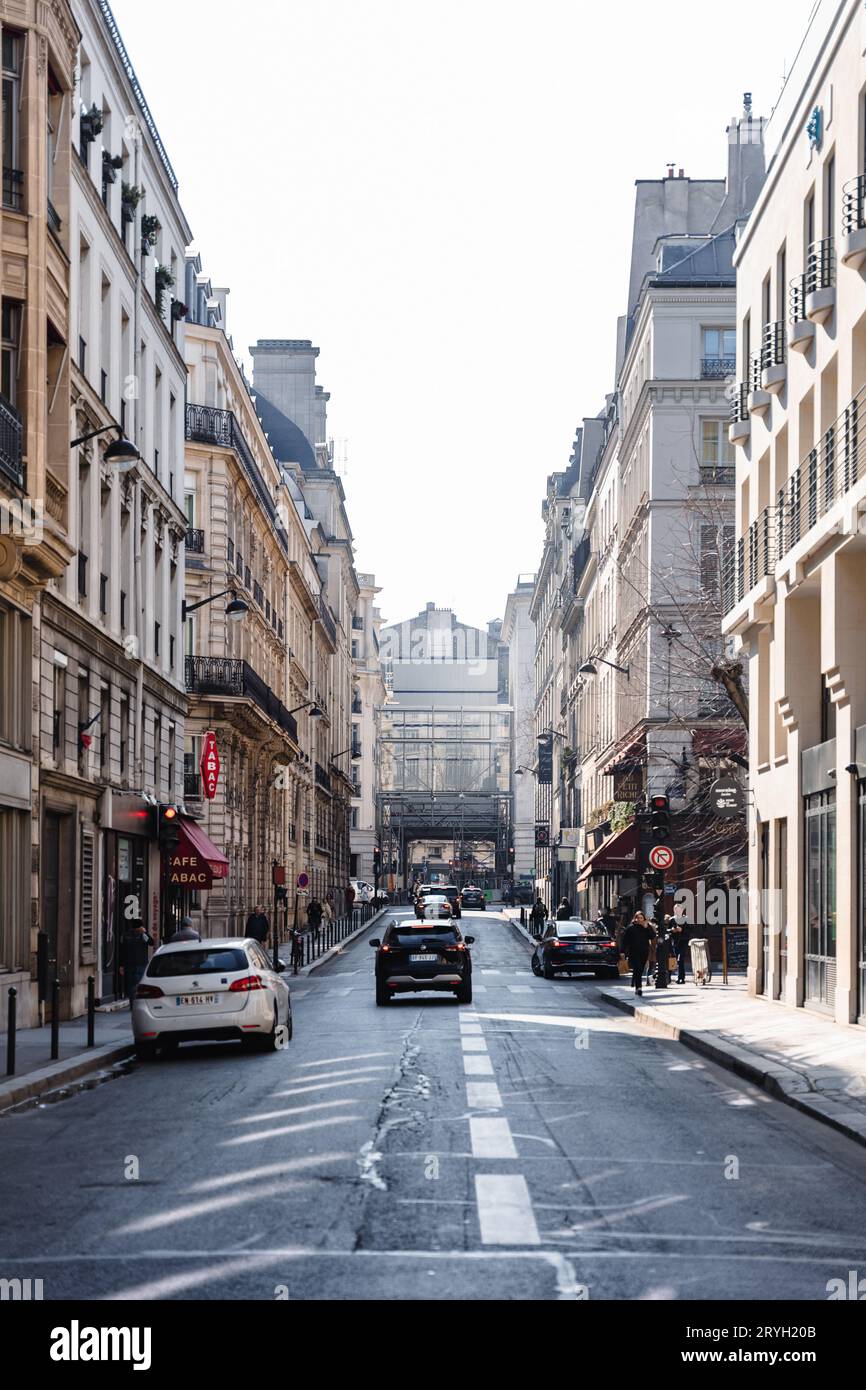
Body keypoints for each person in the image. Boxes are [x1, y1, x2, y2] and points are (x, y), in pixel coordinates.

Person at [621, 910, 655, 996]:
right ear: (635, 918)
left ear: (644, 919)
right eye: (638, 918)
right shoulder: (631, 928)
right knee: (637, 968)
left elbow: (652, 936)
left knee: (640, 969)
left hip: (644, 951)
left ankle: (635, 984)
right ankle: (639, 988)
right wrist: (622, 951)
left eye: (641, 918)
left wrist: (647, 927)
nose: (640, 920)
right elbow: (625, 940)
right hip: (634, 952)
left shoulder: (646, 927)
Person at [121, 920, 153, 1000]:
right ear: (141, 926)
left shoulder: (126, 935)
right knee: (139, 985)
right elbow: (151, 942)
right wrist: (145, 932)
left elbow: (122, 951)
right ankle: (137, 1003)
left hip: (129, 964)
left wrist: (121, 965)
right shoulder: (142, 935)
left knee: (131, 985)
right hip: (140, 964)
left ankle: (132, 1003)